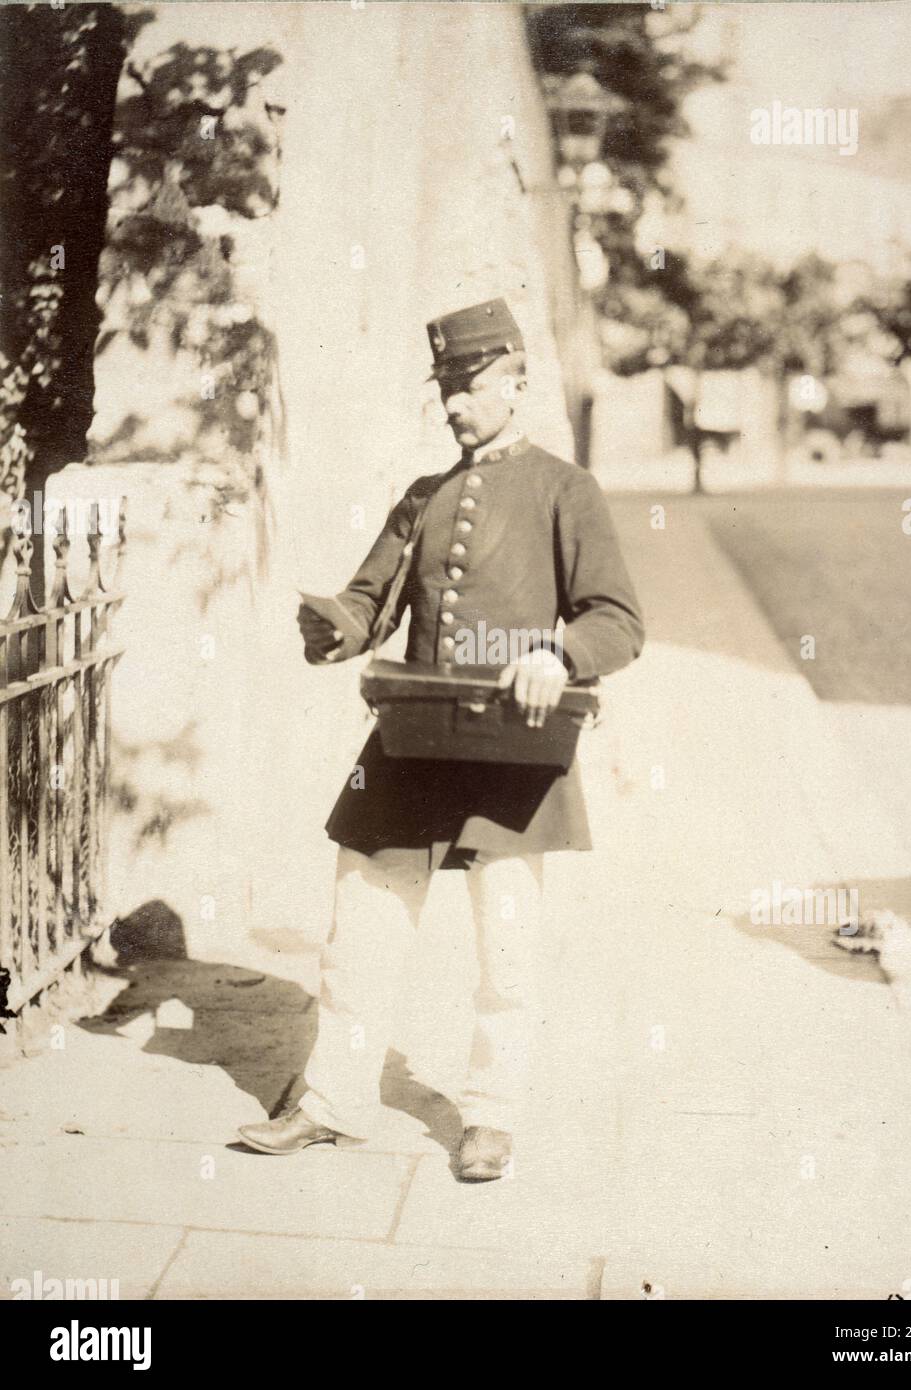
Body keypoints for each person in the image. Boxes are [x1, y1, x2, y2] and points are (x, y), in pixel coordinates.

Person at [238, 297, 643, 1180]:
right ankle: (333, 1101)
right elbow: (367, 600)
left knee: (507, 944)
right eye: (446, 389)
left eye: (469, 385)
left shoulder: (565, 492)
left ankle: (491, 1115)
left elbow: (617, 621)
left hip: (512, 749)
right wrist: (333, 627)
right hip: (412, 744)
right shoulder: (423, 497)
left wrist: (560, 652)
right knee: (361, 931)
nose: (455, 404)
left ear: (516, 382)